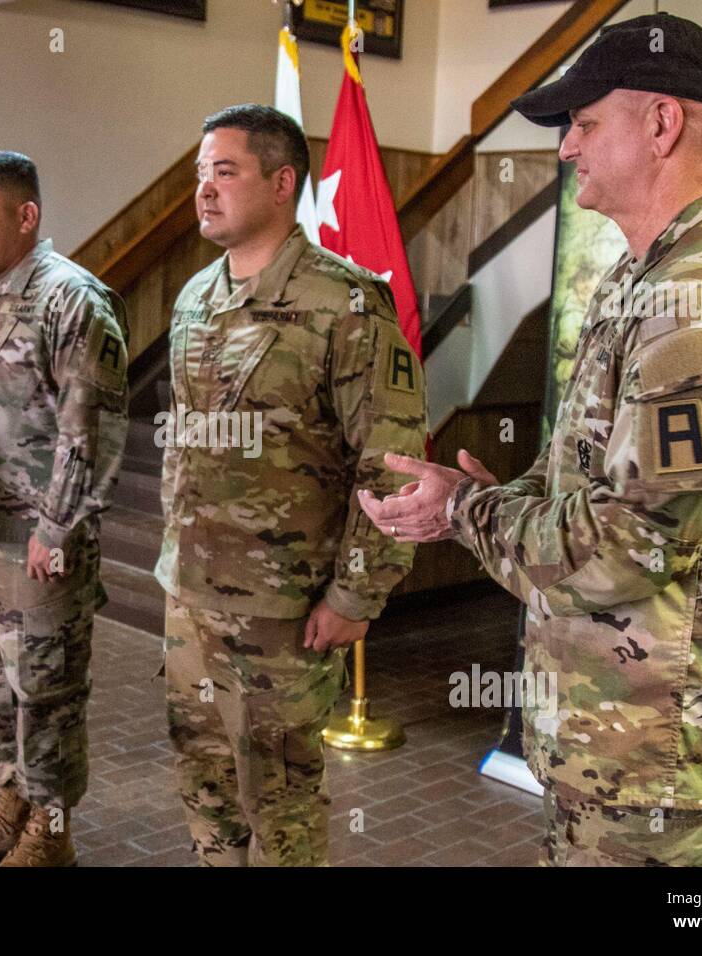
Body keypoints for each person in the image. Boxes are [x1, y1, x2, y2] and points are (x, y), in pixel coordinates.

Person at [359, 13, 702, 867]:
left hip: (656, 754)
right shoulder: (649, 276)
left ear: (662, 123)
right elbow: (589, 474)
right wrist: (494, 498)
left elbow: (629, 547)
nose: (568, 148)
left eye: (585, 121)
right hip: (619, 736)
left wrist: (466, 511)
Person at [159, 105, 428, 866]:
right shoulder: (192, 300)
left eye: (226, 171)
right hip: (192, 594)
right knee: (203, 778)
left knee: (279, 801)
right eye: (200, 173)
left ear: (283, 183)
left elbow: (390, 460)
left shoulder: (345, 304)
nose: (205, 191)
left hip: (285, 608)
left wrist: (356, 594)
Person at [0, 151, 128, 867]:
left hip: (37, 543)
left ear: (26, 215)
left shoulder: (73, 300)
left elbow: (92, 429)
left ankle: (50, 828)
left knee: (45, 688)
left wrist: (59, 527)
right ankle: (8, 802)